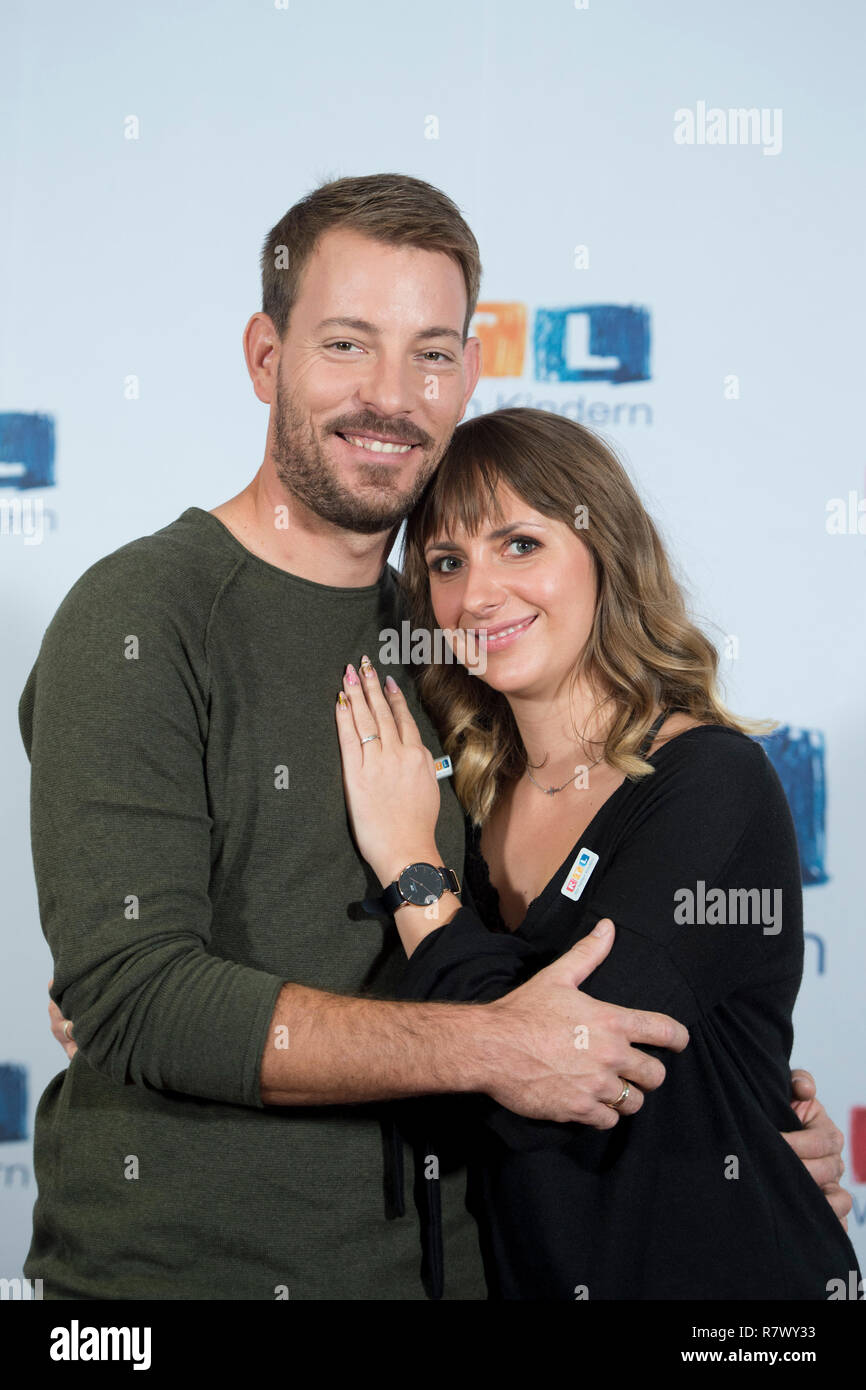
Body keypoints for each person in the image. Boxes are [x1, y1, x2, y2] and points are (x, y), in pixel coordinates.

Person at [24, 175, 847, 1302]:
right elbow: (133, 993)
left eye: (427, 353)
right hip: (184, 1281)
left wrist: (743, 1118)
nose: (388, 395)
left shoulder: (460, 649)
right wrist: (502, 1047)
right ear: (266, 358)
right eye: (347, 344)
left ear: (464, 370)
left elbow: (602, 981)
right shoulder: (141, 617)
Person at [333, 406, 860, 1299]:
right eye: (448, 563)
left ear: (604, 550)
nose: (480, 594)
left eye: (521, 545)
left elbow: (572, 1078)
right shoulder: (459, 791)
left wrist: (411, 871)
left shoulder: (712, 785)